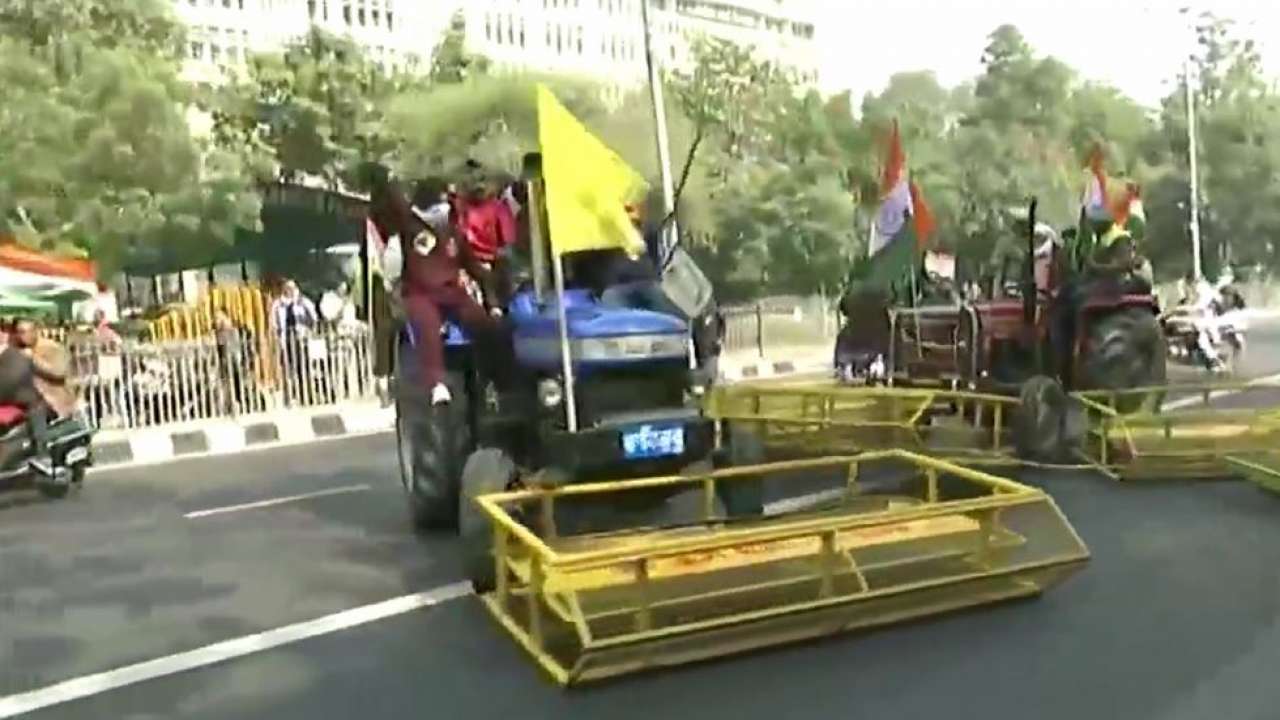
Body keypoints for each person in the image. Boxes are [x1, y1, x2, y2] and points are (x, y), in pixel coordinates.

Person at [369, 170, 509, 406]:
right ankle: (437, 384)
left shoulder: (454, 234)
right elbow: (392, 206)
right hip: (419, 294)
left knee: (488, 326)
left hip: (452, 293)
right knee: (427, 326)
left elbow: (475, 268)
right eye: (440, 202)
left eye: (445, 203)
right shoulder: (409, 230)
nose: (443, 208)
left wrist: (493, 305)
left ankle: (494, 381)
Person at [0, 319, 74, 479]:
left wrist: (33, 358)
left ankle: (43, 455)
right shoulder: (12, 351)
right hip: (20, 398)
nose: (21, 336)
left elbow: (59, 372)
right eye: (18, 332)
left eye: (25, 332)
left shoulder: (50, 348)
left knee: (36, 408)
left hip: (50, 399)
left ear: (35, 331)